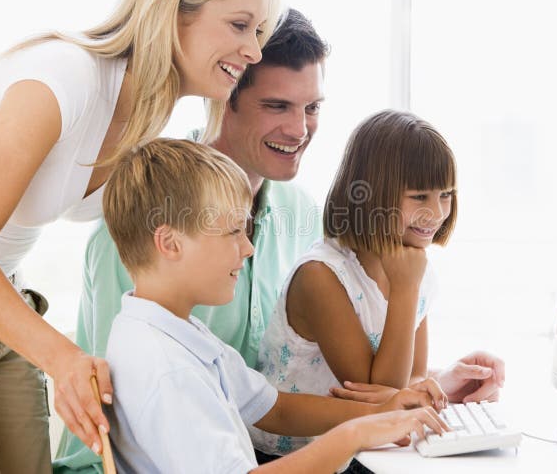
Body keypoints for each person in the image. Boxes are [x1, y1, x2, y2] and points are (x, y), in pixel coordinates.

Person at [0, 0, 279, 472]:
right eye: (240, 26)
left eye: (260, 32)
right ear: (172, 9)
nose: (255, 51)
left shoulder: (148, 117)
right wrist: (65, 359)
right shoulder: (64, 78)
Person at [54, 7, 328, 472]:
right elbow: (107, 413)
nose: (300, 130)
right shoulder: (148, 214)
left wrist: (411, 396)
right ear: (224, 98)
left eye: (313, 107)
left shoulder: (302, 212)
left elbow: (280, 384)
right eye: (277, 106)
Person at [100, 138, 450, 473]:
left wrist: (381, 410)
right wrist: (354, 434)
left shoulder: (176, 333)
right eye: (234, 232)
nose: (248, 248)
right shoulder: (168, 371)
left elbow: (275, 408)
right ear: (171, 244)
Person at [253, 110, 503, 456]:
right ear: (371, 196)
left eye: (445, 194)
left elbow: (408, 380)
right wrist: (404, 291)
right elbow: (378, 389)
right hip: (295, 456)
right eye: (419, 197)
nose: (436, 212)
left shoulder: (413, 268)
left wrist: (442, 383)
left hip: (360, 448)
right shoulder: (321, 275)